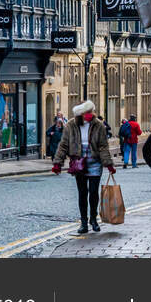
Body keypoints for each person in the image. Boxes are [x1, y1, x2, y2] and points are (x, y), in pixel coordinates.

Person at [52, 99, 116, 234]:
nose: (90, 114)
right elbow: (63, 145)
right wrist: (57, 162)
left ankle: (93, 219)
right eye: (87, 112)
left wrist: (108, 164)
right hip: (79, 163)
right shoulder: (71, 125)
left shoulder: (98, 125)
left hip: (95, 162)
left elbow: (103, 146)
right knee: (82, 193)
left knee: (93, 192)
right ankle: (83, 222)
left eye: (91, 112)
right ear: (80, 114)